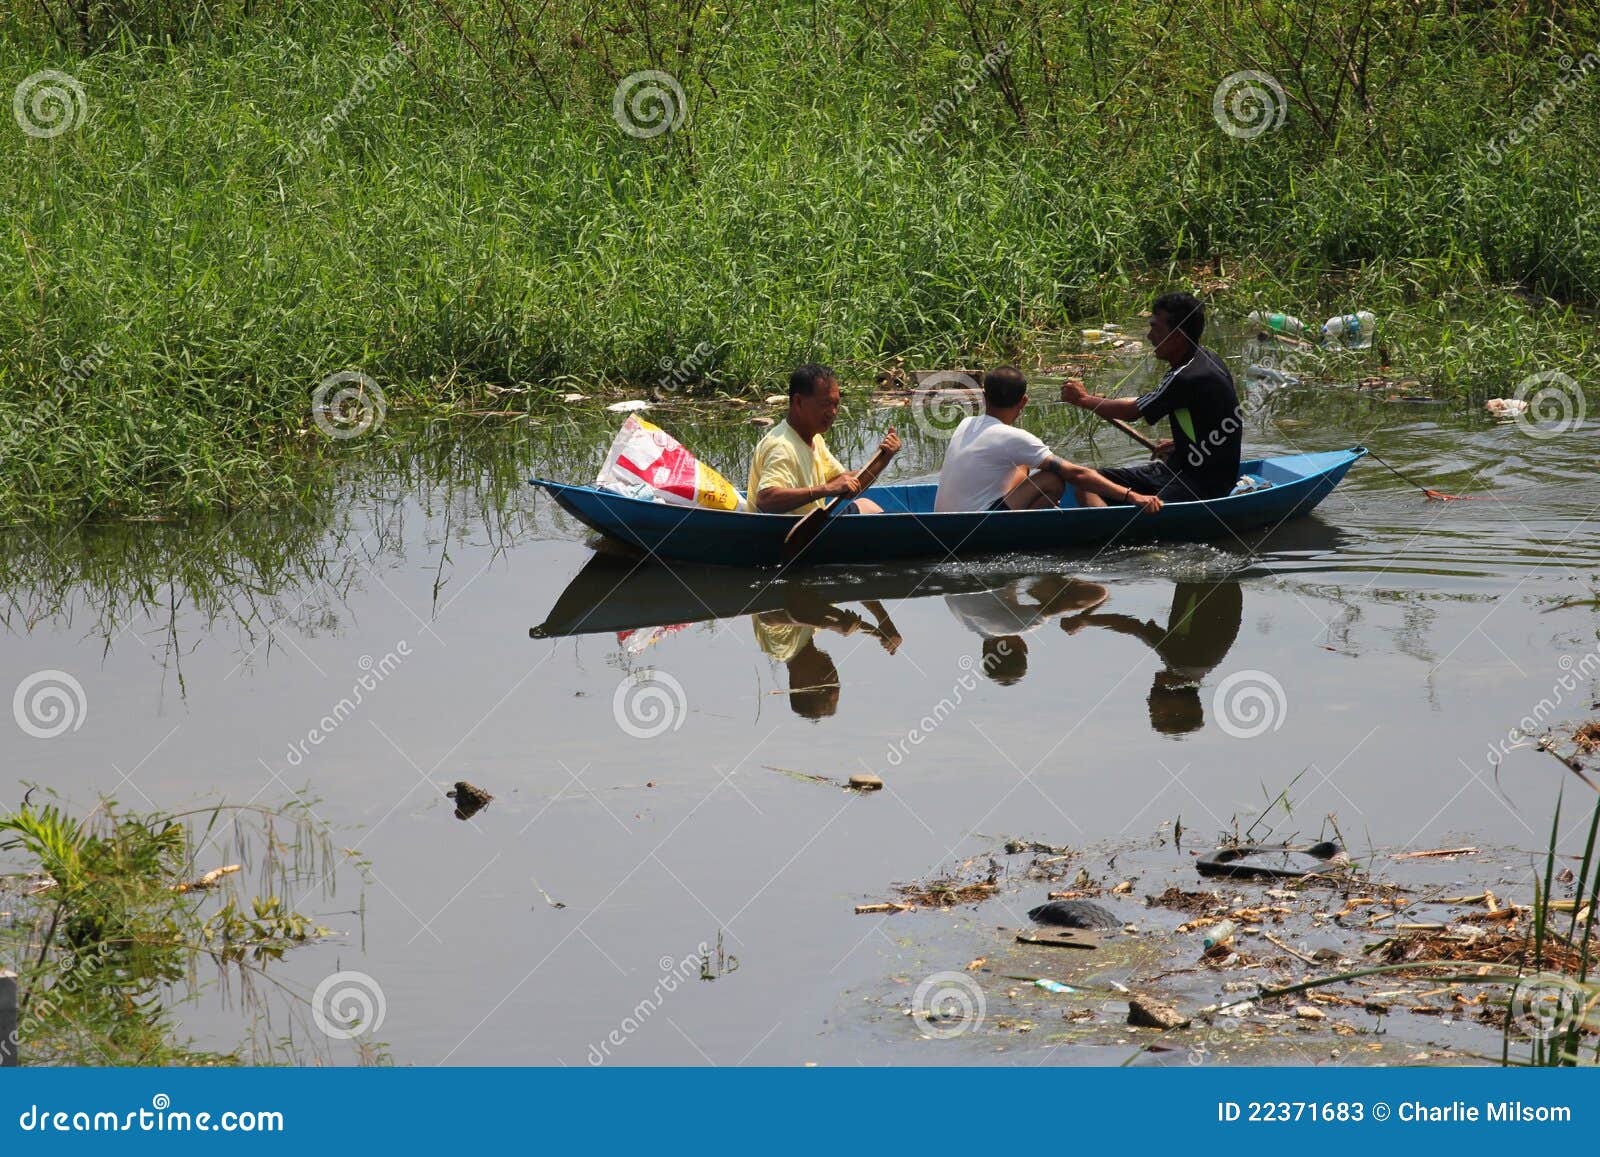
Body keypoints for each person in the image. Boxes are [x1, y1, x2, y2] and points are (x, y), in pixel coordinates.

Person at [1058, 292, 1243, 505]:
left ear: (1178, 336)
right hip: (1189, 468)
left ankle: (1112, 536)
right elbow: (1221, 420)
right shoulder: (1206, 358)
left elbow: (1132, 411)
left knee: (1091, 485)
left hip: (1198, 482)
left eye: (1155, 328)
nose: (1149, 336)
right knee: (1089, 482)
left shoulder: (1186, 376)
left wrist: (1083, 399)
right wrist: (1182, 444)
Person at [933, 365, 1164, 514]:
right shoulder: (1014, 437)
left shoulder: (966, 424)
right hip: (980, 523)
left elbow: (1020, 466)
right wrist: (1132, 495)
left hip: (946, 518)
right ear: (1023, 402)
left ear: (984, 397)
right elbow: (1076, 474)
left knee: (1024, 462)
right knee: (1053, 478)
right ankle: (1028, 532)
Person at [749, 363, 900, 515]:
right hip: (789, 534)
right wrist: (825, 489)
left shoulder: (815, 439)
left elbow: (848, 486)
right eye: (825, 404)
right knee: (871, 509)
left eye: (836, 404)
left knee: (867, 504)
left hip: (813, 526)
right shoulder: (781, 446)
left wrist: (884, 457)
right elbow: (766, 501)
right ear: (798, 402)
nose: (832, 412)